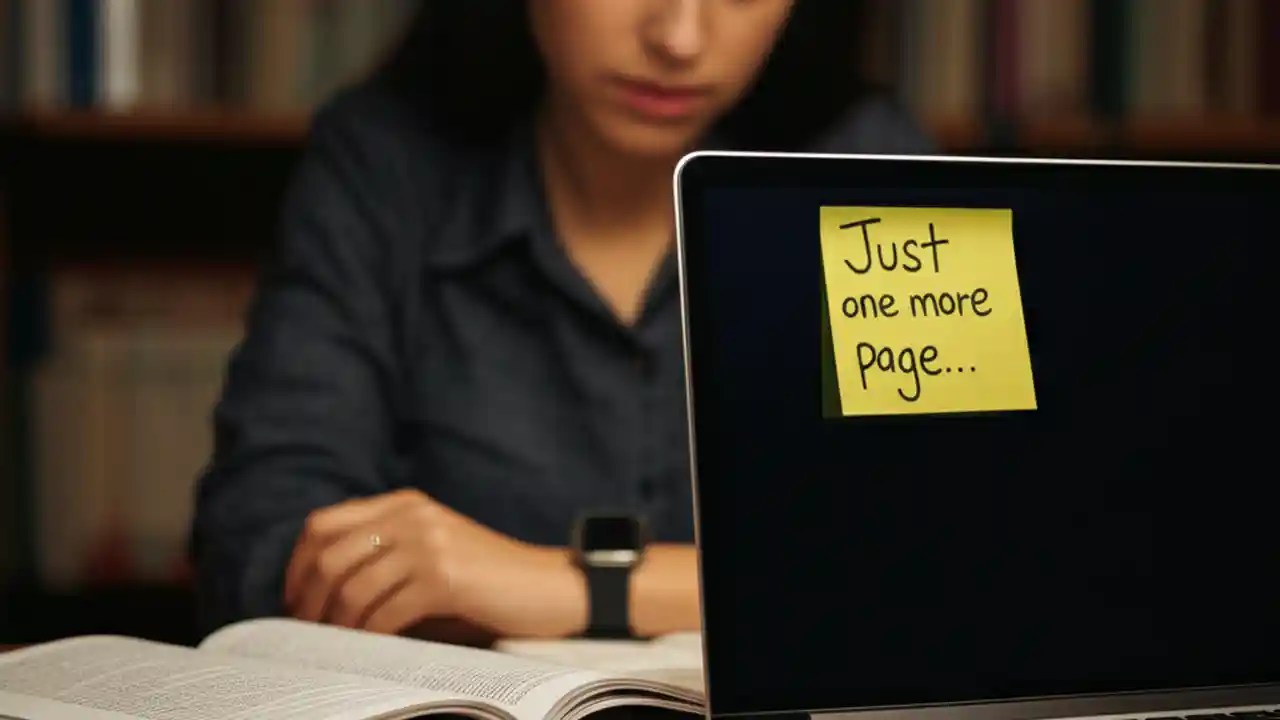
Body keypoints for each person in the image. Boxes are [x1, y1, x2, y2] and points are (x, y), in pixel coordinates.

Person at [191, 0, 933, 644]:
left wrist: (560, 587)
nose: (678, 38)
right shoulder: (380, 160)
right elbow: (262, 535)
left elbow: (969, 556)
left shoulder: (890, 166)